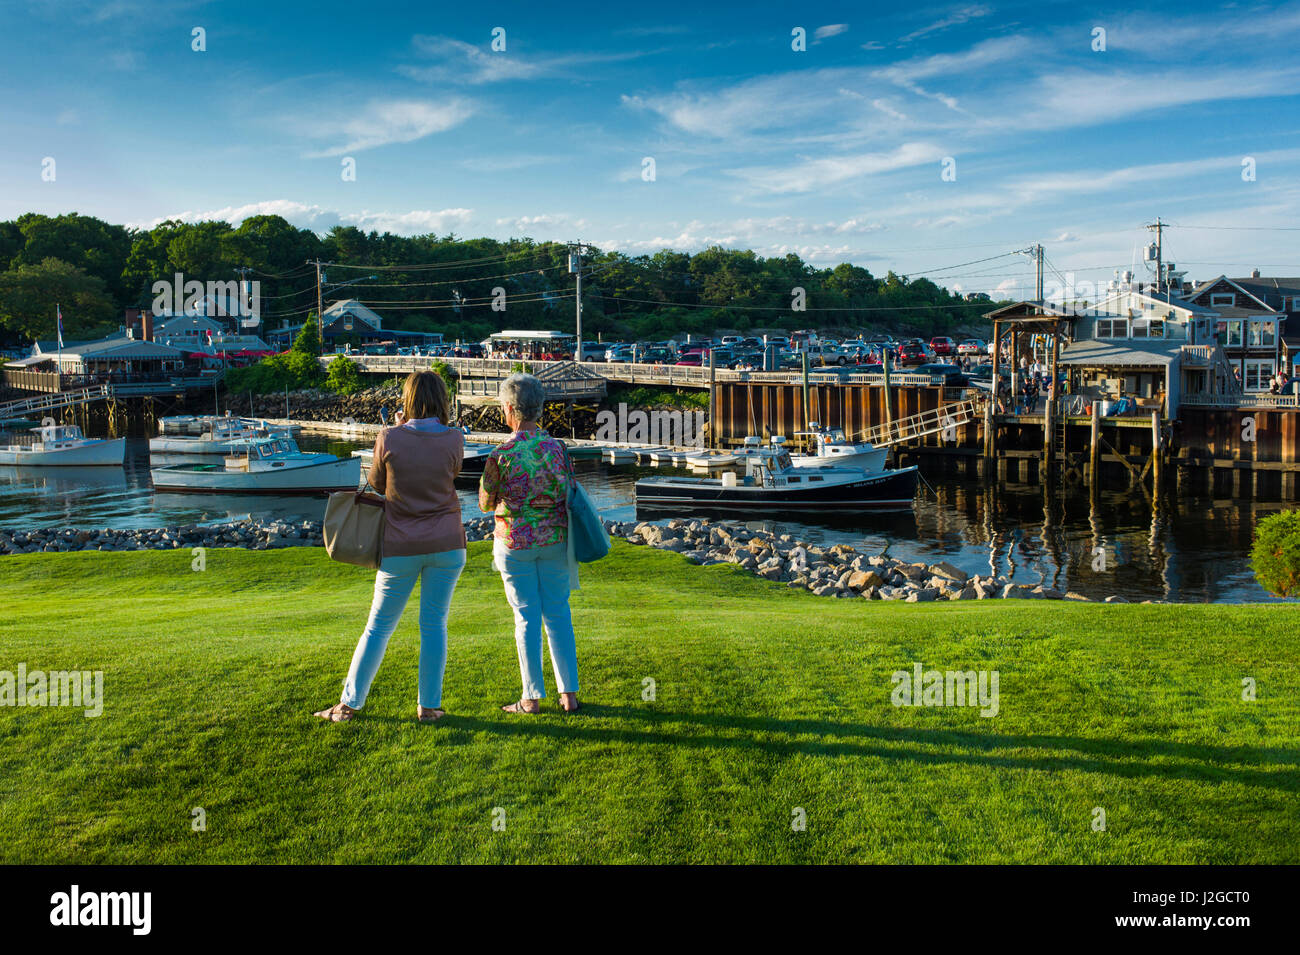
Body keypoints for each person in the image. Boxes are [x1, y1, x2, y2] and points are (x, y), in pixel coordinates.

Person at [314, 371, 466, 724]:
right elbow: (451, 473)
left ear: (407, 399)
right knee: (434, 625)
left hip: (401, 544)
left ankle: (348, 705)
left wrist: (397, 431)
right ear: (442, 399)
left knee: (378, 627)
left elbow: (376, 483)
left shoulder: (389, 437)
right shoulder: (454, 438)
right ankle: (428, 706)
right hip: (447, 542)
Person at [479, 373, 580, 715]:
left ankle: (531, 698)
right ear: (539, 409)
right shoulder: (558, 449)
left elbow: (484, 502)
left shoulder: (501, 454)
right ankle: (569, 695)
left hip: (515, 543)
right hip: (555, 539)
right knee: (558, 614)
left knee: (526, 618)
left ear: (509, 409)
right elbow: (570, 490)